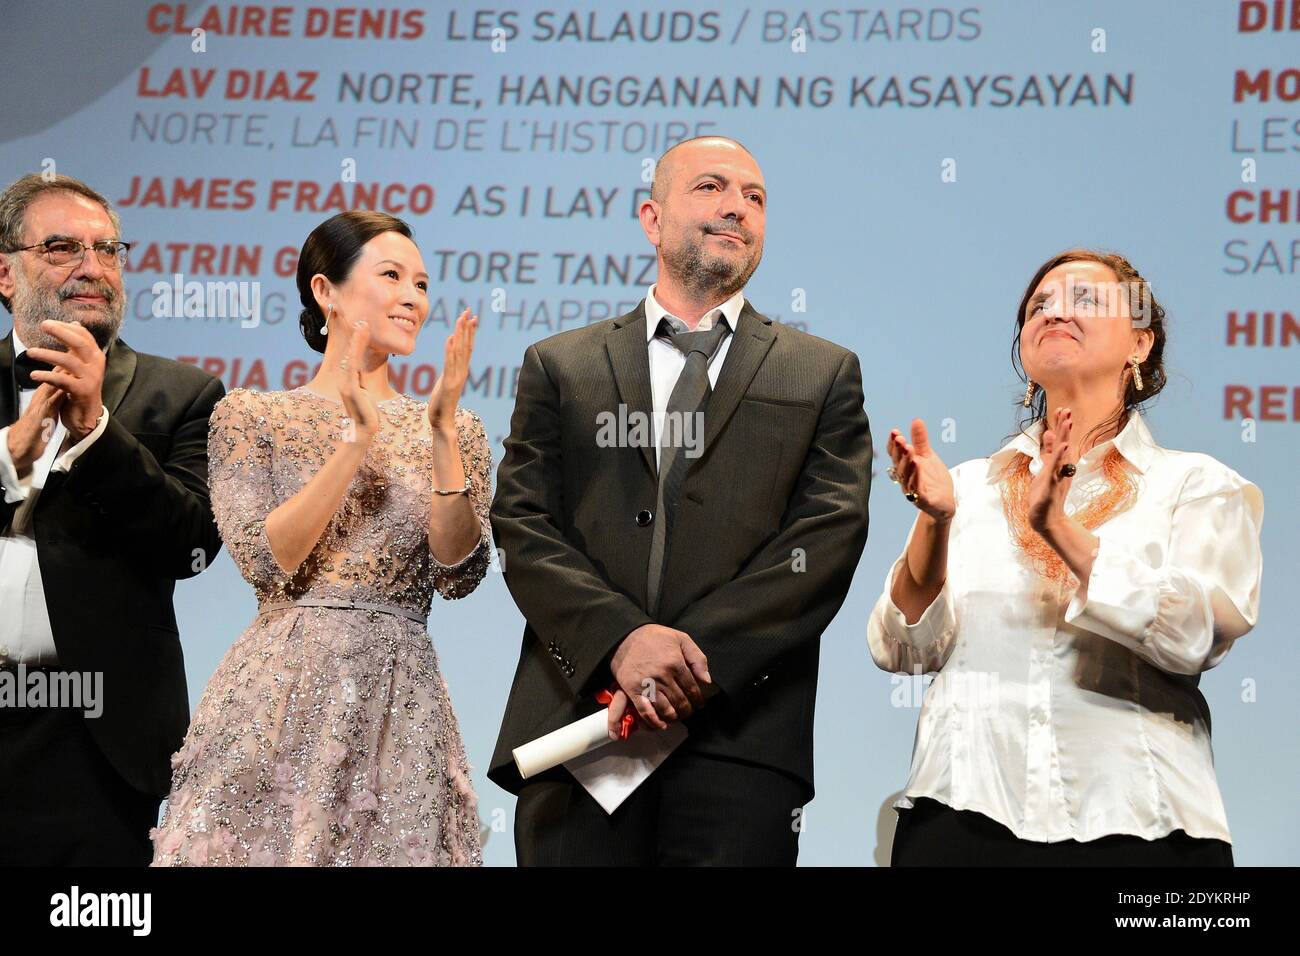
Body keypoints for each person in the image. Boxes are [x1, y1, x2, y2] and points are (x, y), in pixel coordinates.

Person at [490, 136, 873, 866]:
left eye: (755, 198)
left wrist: (689, 664)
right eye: (711, 188)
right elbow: (522, 524)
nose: (737, 207)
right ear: (651, 218)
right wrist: (622, 642)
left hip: (741, 738)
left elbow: (827, 538)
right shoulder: (561, 364)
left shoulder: (822, 372)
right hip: (582, 729)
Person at [870, 249, 1263, 866]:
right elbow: (902, 649)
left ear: (1140, 343)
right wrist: (937, 519)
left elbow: (1194, 636)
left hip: (1143, 819)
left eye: (1085, 300)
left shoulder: (1197, 484)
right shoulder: (968, 485)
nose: (1055, 313)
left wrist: (1058, 527)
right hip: (964, 815)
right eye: (1038, 307)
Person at [150, 211, 491, 866]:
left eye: (421, 284)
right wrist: (353, 443)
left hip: (399, 699)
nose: (412, 298)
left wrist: (443, 435)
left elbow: (459, 574)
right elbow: (263, 559)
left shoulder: (453, 425)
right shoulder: (253, 415)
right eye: (391, 275)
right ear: (324, 291)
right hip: (280, 698)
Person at [0, 173, 224, 865]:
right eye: (63, 247)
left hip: (100, 744)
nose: (93, 268)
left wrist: (96, 431)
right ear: (6, 272)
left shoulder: (182, 394)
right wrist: (7, 461)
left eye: (108, 249)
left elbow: (191, 545)